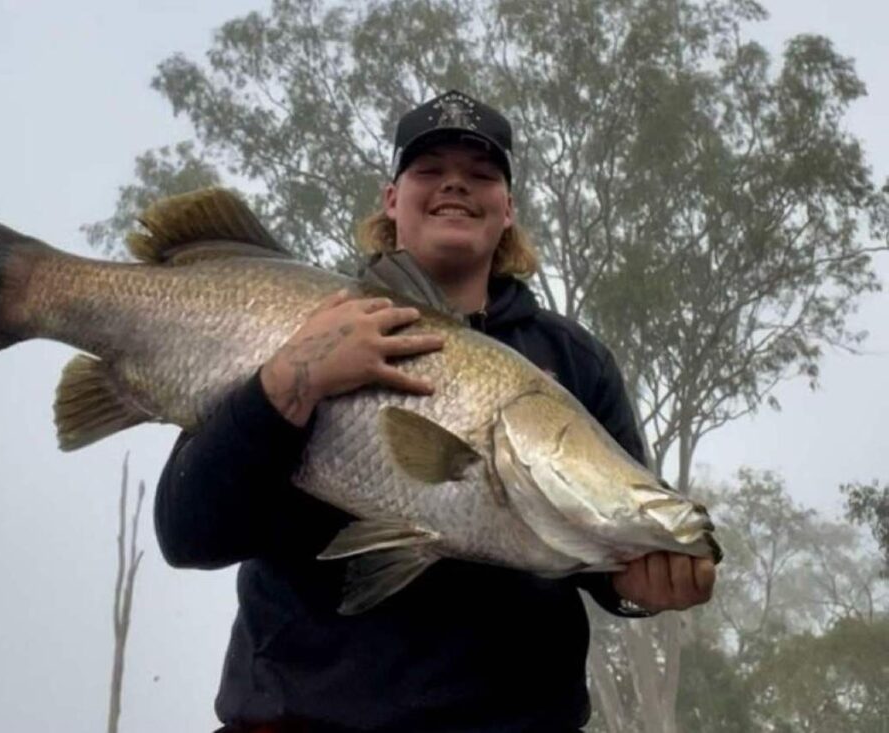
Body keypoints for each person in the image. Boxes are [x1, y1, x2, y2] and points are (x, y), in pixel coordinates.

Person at [154, 89, 716, 733]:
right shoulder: (299, 324)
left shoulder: (575, 362)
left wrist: (641, 586)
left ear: (507, 209)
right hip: (295, 719)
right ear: (392, 199)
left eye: (482, 174)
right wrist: (290, 377)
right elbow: (186, 533)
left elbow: (606, 554)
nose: (456, 185)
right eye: (428, 171)